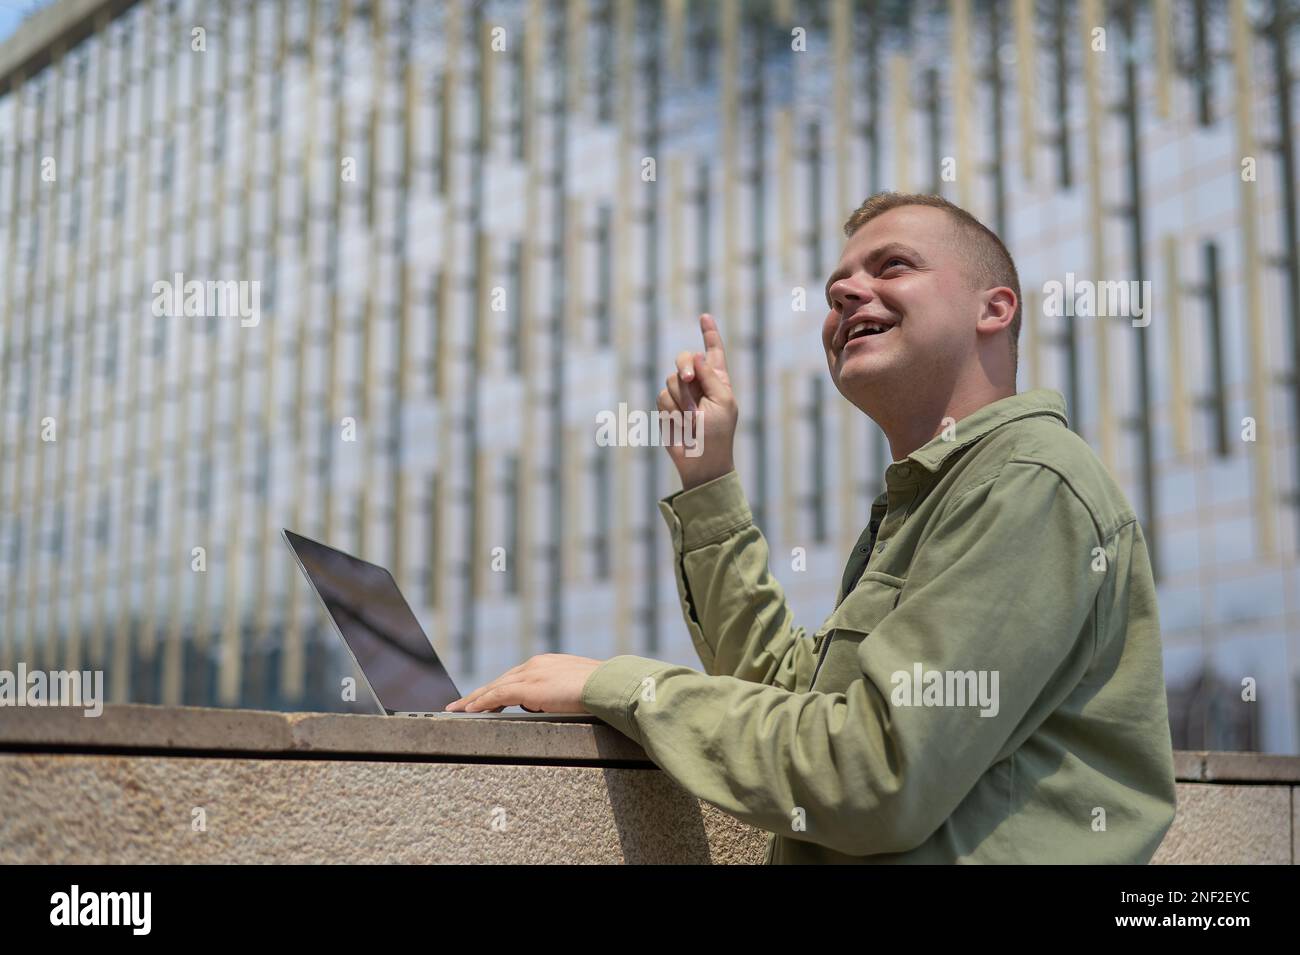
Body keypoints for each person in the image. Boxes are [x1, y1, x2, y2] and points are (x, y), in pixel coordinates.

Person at [446, 191, 1178, 864]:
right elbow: (788, 700)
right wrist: (709, 482)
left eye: (893, 266)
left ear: (995, 309)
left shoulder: (1030, 482)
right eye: (835, 291)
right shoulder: (929, 502)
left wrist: (624, 686)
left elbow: (874, 773)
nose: (847, 294)